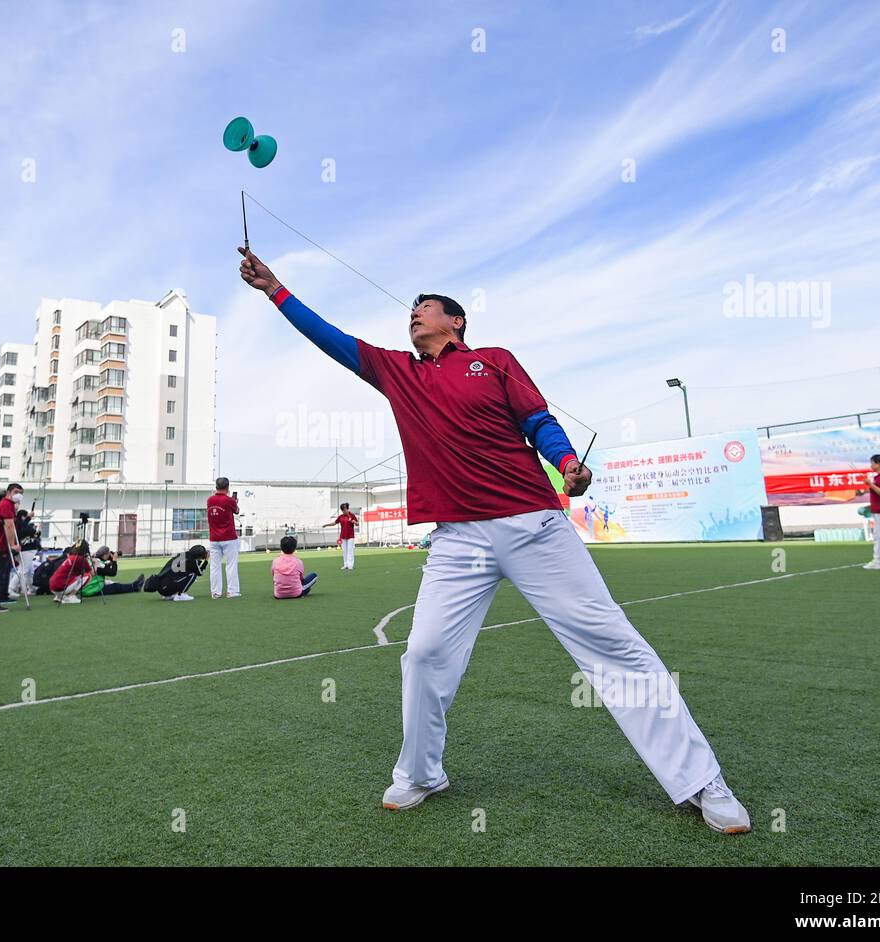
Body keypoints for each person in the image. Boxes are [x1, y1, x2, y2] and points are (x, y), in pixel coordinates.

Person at [238, 246, 750, 834]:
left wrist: (565, 464)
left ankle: (701, 781)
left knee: (613, 645)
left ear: (456, 321)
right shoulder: (396, 371)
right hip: (457, 541)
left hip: (534, 524)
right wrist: (276, 288)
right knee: (425, 652)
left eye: (425, 307)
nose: (414, 314)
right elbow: (326, 336)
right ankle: (422, 773)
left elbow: (539, 421)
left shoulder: (494, 360)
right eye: (411, 309)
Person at [0, 483, 24, 614]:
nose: (19, 495)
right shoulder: (7, 504)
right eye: (17, 491)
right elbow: (9, 525)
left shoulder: (5, 504)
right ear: (9, 492)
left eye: (21, 493)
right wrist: (12, 545)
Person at [206, 477, 242, 599]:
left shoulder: (210, 500)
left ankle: (215, 592)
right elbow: (236, 511)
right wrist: (235, 502)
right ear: (227, 487)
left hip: (214, 538)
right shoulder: (228, 500)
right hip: (229, 537)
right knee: (231, 565)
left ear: (216, 486)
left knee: (214, 566)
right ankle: (232, 591)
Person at [323, 502, 360, 570]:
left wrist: (354, 522)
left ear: (347, 508)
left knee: (350, 550)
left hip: (350, 536)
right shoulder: (340, 516)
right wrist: (326, 525)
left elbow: (357, 524)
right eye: (343, 510)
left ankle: (350, 565)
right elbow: (334, 523)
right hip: (343, 536)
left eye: (345, 509)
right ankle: (345, 564)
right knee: (344, 551)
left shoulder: (352, 515)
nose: (344, 511)